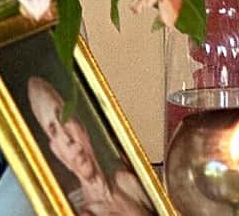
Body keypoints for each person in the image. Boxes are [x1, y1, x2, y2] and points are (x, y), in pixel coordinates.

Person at [26, 77, 151, 216]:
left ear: (81, 126)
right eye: (53, 131)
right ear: (58, 154)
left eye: (63, 117)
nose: (67, 138)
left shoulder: (127, 183)